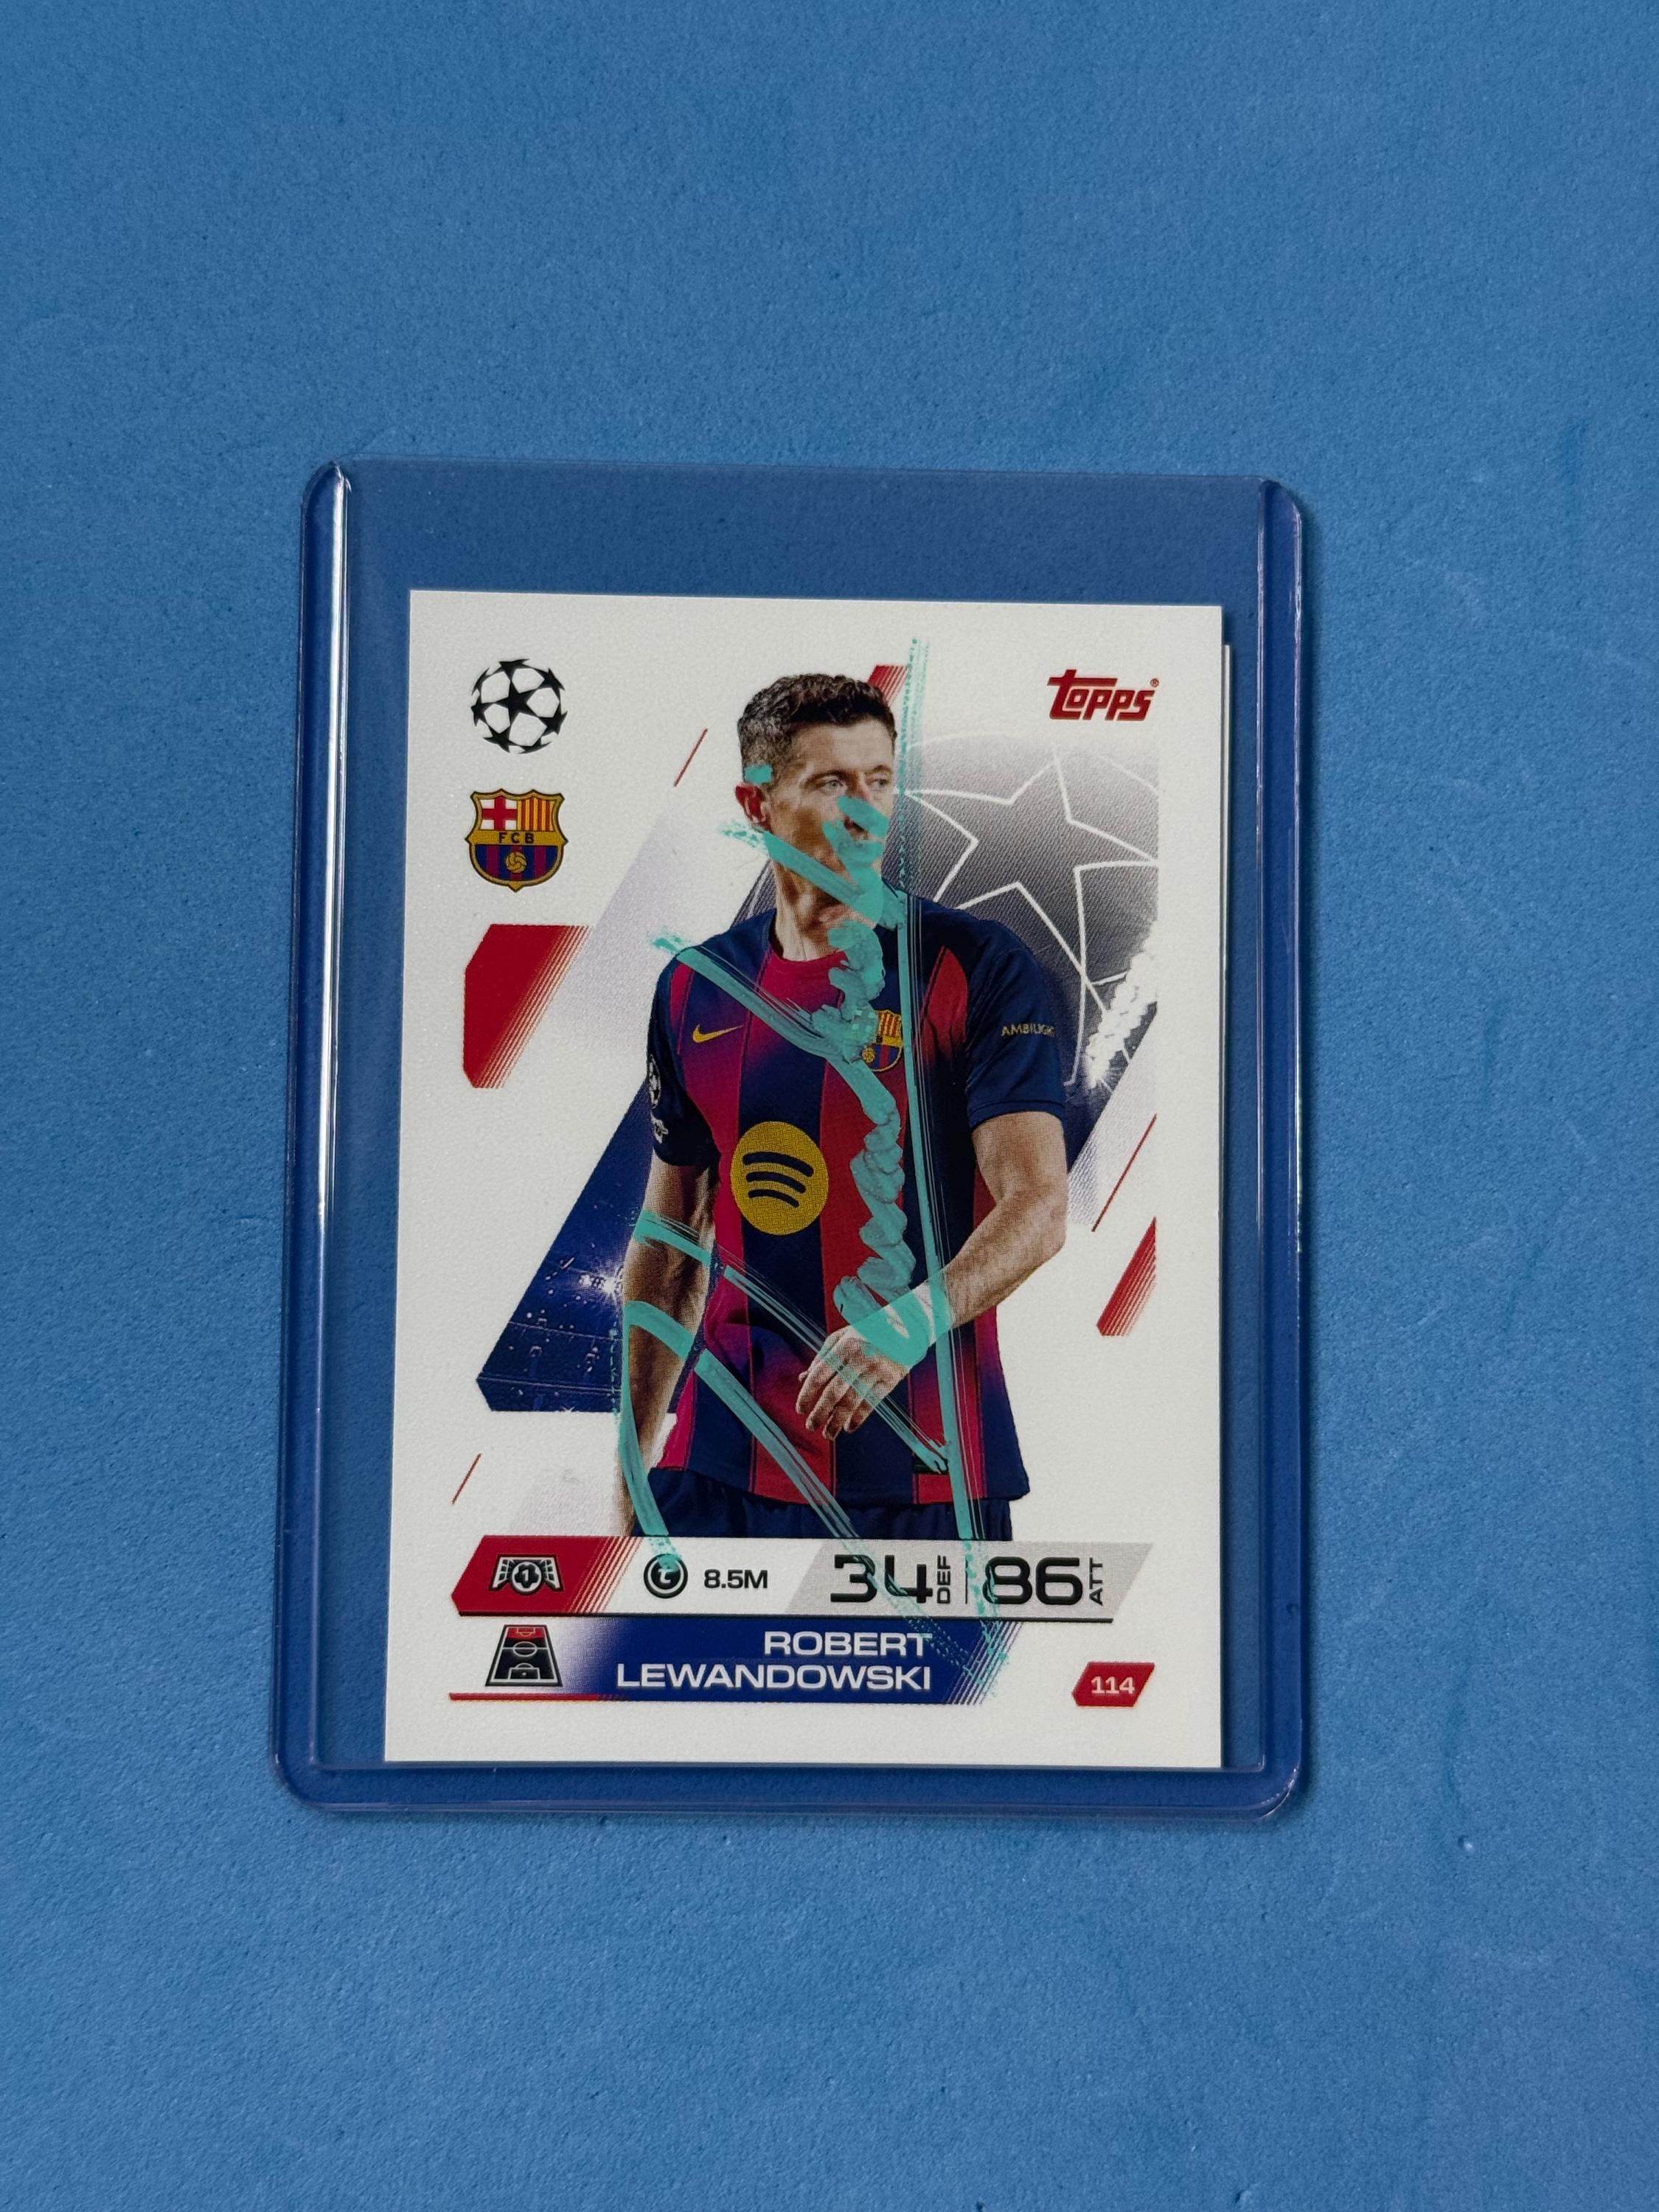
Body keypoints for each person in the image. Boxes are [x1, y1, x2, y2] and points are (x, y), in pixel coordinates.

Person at [616, 672, 1068, 1541]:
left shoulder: (973, 965)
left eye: (881, 780)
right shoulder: (694, 987)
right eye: (832, 783)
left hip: (922, 1481)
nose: (866, 811)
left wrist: (911, 1321)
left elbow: (1039, 1207)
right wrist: (631, 1475)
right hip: (719, 1474)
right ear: (757, 804)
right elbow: (670, 1245)